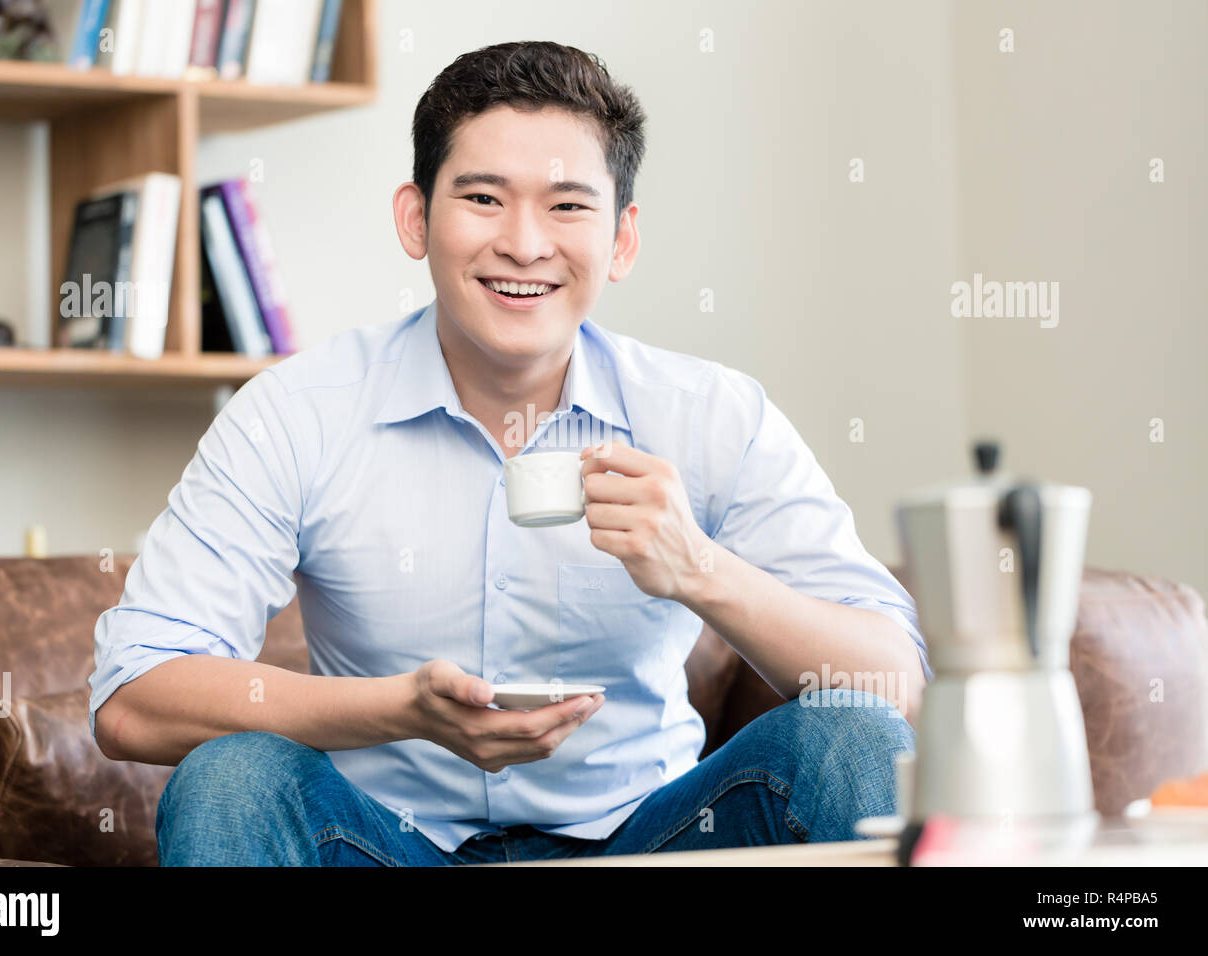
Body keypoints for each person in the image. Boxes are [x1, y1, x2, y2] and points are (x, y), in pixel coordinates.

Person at [89, 40, 932, 866]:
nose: (526, 244)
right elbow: (133, 700)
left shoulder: (712, 415)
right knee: (233, 777)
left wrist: (699, 568)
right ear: (416, 219)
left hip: (648, 844)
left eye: (568, 206)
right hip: (380, 846)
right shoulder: (297, 413)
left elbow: (894, 685)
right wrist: (401, 711)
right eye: (484, 199)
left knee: (848, 738)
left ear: (623, 238)